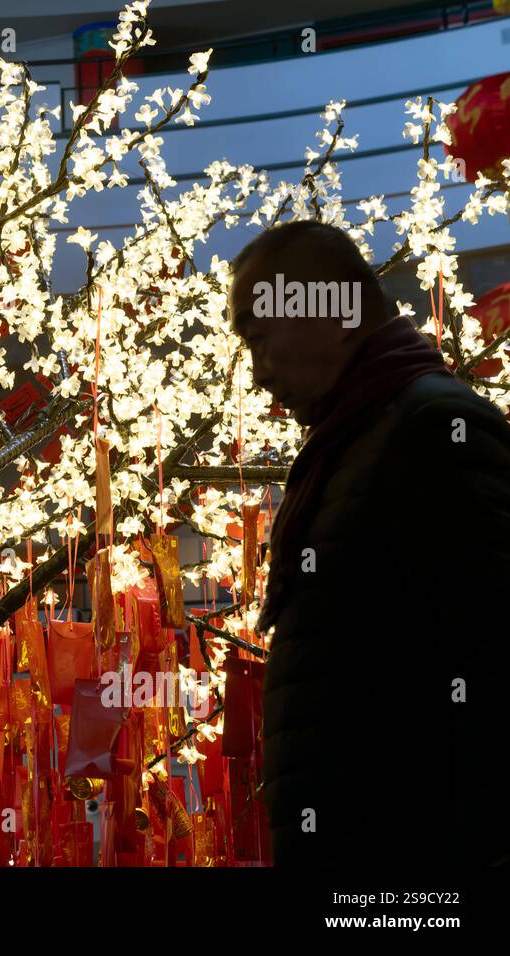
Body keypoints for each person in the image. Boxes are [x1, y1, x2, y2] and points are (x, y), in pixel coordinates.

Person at [228, 220, 510, 866]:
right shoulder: (358, 441)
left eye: (260, 338)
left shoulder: (434, 428)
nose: (257, 373)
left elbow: (489, 665)